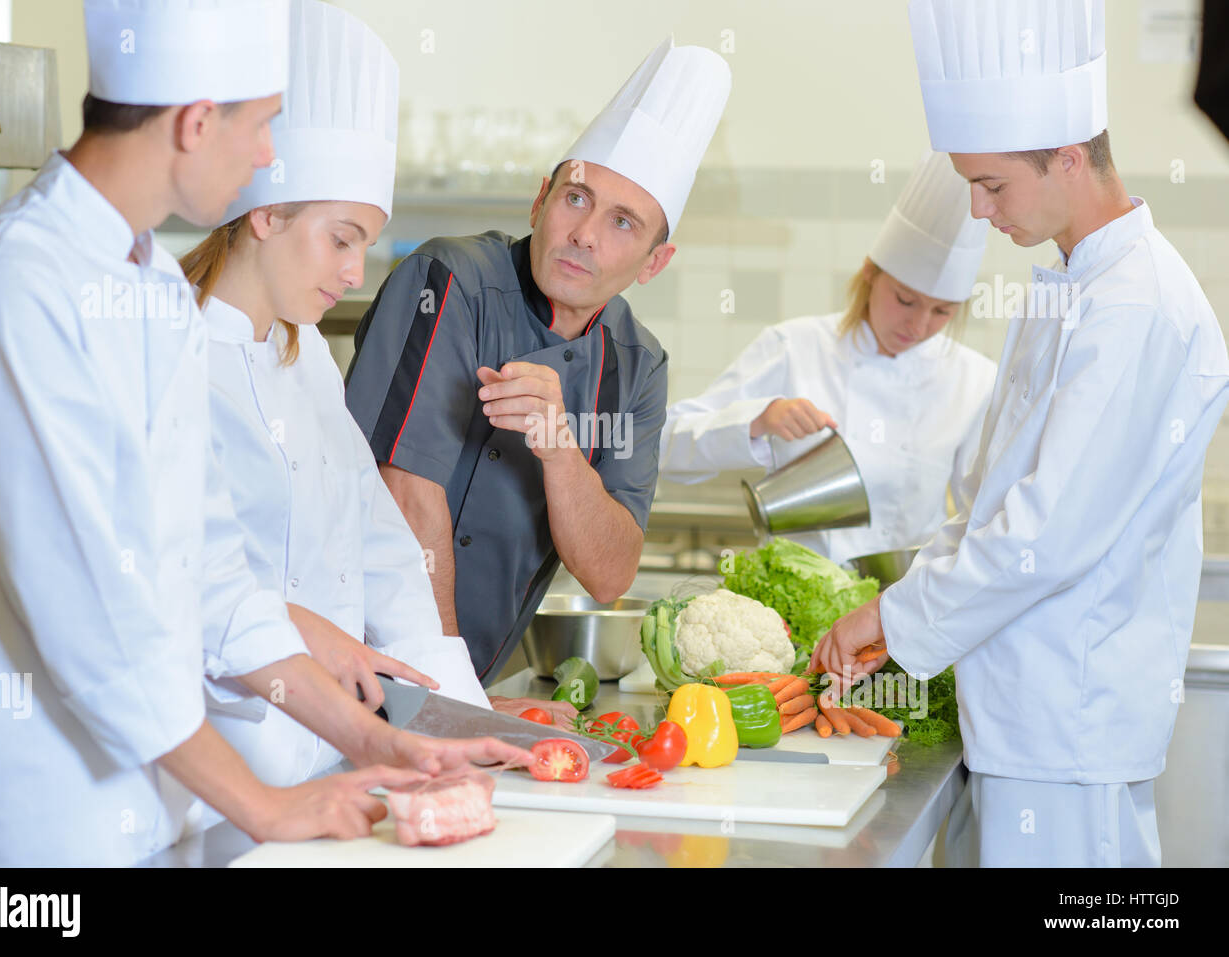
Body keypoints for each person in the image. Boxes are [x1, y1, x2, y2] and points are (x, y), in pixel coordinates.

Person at [0, 0, 525, 867]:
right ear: (197, 121)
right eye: (262, 126)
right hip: (43, 831)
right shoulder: (14, 284)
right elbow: (94, 616)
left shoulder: (151, 289)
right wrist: (270, 806)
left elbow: (212, 583)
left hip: (161, 812)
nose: (264, 157)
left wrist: (376, 741)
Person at [812, 0, 1229, 867]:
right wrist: (894, 619)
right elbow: (985, 497)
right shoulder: (1071, 286)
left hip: (1067, 727)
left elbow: (1044, 534)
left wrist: (894, 612)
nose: (977, 207)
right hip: (1020, 716)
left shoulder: (1136, 307)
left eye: (992, 184)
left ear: (1068, 158)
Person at [345, 37, 731, 698]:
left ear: (652, 264)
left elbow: (608, 574)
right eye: (576, 199)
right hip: (355, 664)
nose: (584, 233)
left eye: (621, 222)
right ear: (540, 201)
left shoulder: (636, 365)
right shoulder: (451, 280)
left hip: (462, 680)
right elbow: (406, 490)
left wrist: (560, 453)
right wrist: (449, 695)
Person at [182, 0, 496, 789]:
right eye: (342, 237)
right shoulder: (172, 354)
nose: (357, 272)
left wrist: (460, 716)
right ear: (265, 213)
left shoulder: (308, 354)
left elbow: (384, 547)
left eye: (367, 242)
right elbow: (177, 583)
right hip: (218, 776)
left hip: (335, 758)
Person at [659, 150, 996, 564]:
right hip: (796, 600)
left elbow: (983, 512)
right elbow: (664, 445)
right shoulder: (794, 347)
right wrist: (756, 421)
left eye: (942, 311)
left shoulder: (975, 381)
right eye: (905, 300)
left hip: (899, 603)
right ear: (871, 275)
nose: (919, 325)